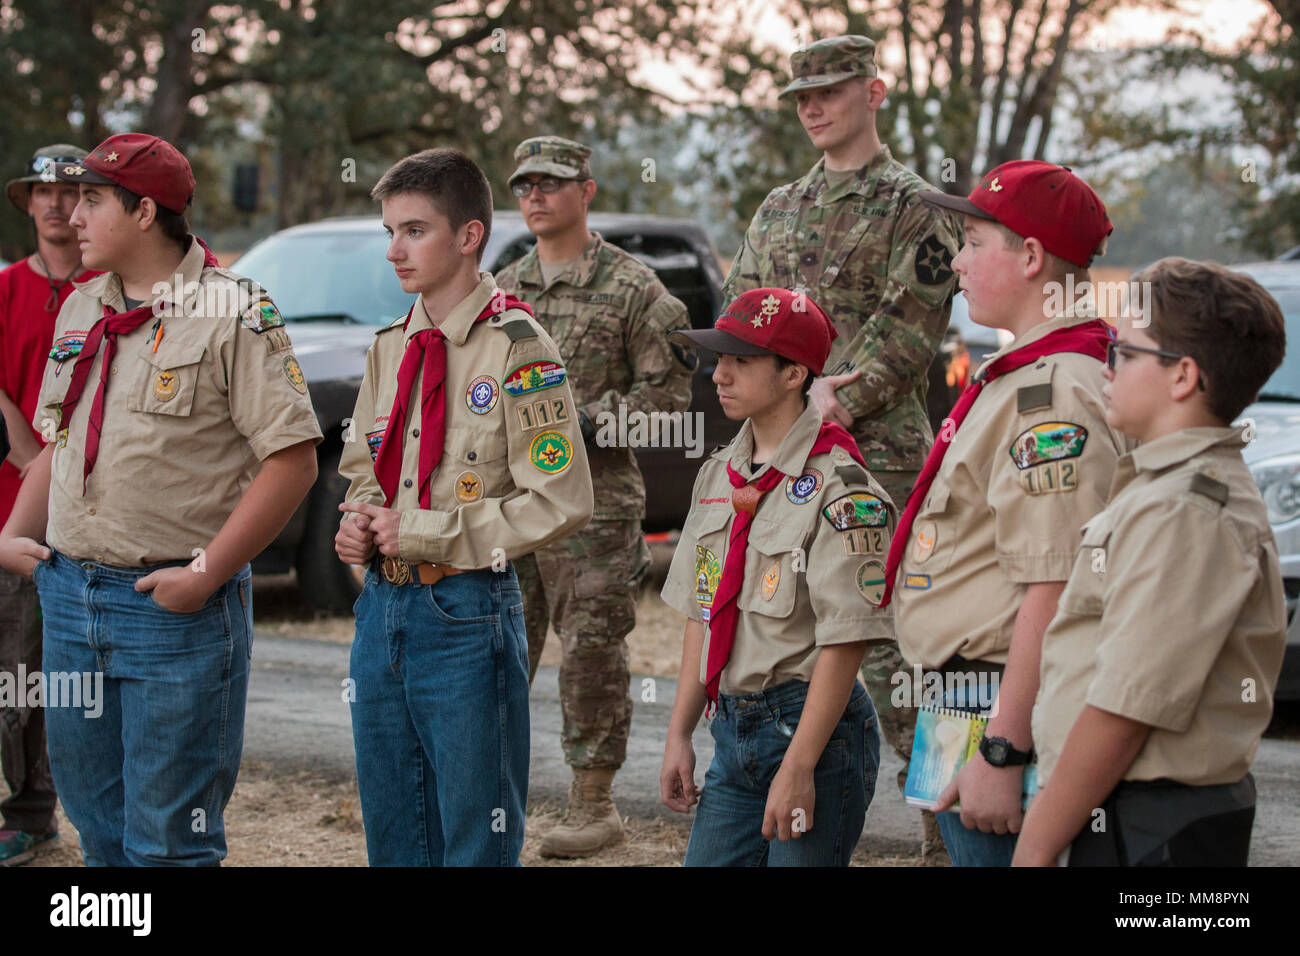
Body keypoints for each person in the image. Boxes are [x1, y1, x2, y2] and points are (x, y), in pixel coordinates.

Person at [0, 133, 323, 865]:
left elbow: (293, 461)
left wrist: (207, 574)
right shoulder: (83, 307)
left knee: (170, 840)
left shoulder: (232, 311)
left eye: (91, 199)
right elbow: (60, 438)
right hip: (70, 597)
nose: (70, 216)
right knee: (98, 829)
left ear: (145, 212)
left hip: (171, 607)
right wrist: (15, 535)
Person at [722, 34, 962, 858]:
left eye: (830, 90)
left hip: (879, 460)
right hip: (785, 462)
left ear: (875, 90)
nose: (814, 107)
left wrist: (832, 406)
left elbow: (910, 333)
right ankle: (791, 808)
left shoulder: (915, 206)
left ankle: (949, 828)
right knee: (788, 636)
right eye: (802, 96)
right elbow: (739, 317)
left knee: (907, 651)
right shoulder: (778, 206)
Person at [336, 147, 594, 867]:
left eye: (414, 230)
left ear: (470, 236)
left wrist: (425, 531)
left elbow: (563, 499)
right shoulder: (393, 347)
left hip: (466, 610)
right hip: (382, 612)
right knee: (393, 826)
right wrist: (359, 520)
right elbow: (364, 463)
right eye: (389, 230)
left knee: (475, 834)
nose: (394, 250)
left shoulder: (519, 349)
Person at [882, 160, 1132, 866]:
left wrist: (1003, 747)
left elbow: (1052, 583)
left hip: (998, 692)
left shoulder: (1053, 392)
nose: (956, 260)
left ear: (1029, 257)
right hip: (962, 685)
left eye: (972, 240)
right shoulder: (1028, 371)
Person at [1013, 258, 1287, 866]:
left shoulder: (1185, 509)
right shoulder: (1161, 486)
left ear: (1183, 376)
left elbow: (1121, 713)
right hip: (1132, 818)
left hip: (1157, 829)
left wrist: (1031, 854)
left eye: (1124, 351)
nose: (1107, 365)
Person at [494, 135, 694, 857]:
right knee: (496, 648)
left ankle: (593, 802)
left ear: (587, 190)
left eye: (552, 182)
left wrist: (583, 423)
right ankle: (490, 792)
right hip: (511, 503)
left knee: (591, 652)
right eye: (525, 185)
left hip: (595, 503)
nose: (537, 196)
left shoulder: (636, 289)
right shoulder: (504, 288)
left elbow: (668, 401)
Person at [659, 287, 889, 866]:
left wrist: (801, 765)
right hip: (734, 734)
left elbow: (846, 639)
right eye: (719, 357)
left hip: (813, 731)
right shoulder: (719, 475)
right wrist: (679, 733)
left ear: (793, 375)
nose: (720, 374)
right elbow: (703, 612)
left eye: (741, 360)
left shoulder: (843, 487)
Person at [0, 143, 99, 866]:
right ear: (28, 203)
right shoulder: (5, 290)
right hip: (15, 508)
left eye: (75, 192)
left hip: (96, 511)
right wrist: (34, 463)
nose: (59, 204)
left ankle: (67, 808)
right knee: (14, 664)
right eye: (46, 192)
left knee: (73, 668)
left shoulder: (110, 288)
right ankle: (29, 807)